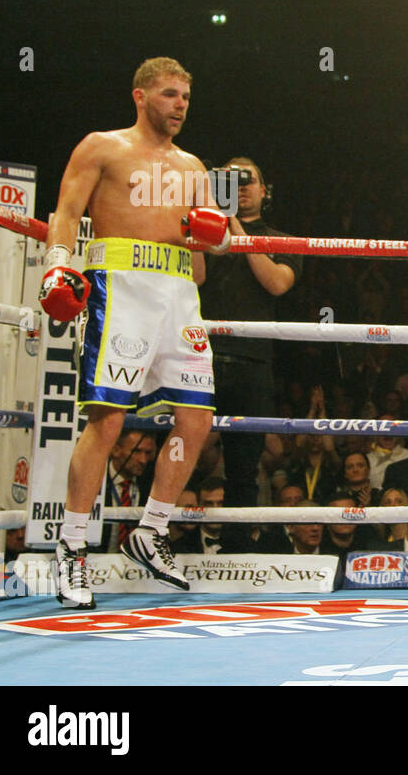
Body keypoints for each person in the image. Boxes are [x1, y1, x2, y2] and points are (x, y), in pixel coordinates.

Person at [44, 57, 231, 608]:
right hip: (120, 288)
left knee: (197, 419)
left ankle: (150, 531)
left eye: (186, 98)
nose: (179, 105)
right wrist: (59, 262)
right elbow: (65, 210)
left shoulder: (196, 166)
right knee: (107, 420)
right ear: (141, 96)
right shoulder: (101, 147)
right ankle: (72, 549)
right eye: (170, 95)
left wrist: (215, 240)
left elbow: (205, 254)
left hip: (179, 295)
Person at [195, 157, 301, 510]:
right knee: (186, 453)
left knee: (243, 466)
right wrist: (204, 221)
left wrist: (236, 227)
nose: (239, 186)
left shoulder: (283, 239)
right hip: (199, 356)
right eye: (229, 180)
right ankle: (163, 537)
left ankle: (235, 549)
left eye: (247, 180)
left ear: (263, 189)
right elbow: (195, 279)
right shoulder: (205, 232)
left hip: (251, 362)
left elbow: (276, 283)